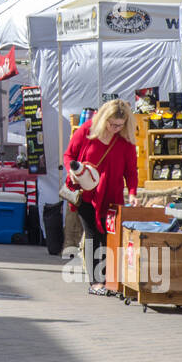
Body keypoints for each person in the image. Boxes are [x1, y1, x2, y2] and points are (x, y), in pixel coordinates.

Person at [63, 99, 140, 294]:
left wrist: (132, 193)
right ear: (104, 118)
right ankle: (96, 282)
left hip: (112, 195)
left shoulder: (126, 140)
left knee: (109, 236)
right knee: (92, 234)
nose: (115, 128)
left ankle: (107, 280)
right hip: (86, 193)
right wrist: (72, 172)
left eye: (120, 125)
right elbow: (69, 155)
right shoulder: (88, 129)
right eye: (112, 124)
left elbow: (131, 171)